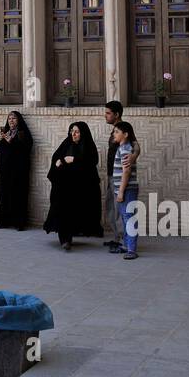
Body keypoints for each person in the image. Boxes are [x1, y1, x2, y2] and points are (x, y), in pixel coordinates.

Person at [43, 121, 104, 251]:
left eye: (76, 132)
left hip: (80, 188)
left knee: (74, 213)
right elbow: (57, 157)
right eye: (71, 131)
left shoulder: (88, 146)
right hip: (64, 187)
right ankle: (65, 240)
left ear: (83, 133)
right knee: (63, 210)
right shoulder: (67, 144)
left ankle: (71, 234)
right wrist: (58, 161)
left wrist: (75, 160)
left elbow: (91, 161)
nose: (73, 134)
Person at [101, 101, 140, 246]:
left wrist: (133, 157)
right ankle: (118, 238)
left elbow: (136, 146)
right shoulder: (116, 130)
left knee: (121, 210)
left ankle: (125, 242)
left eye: (108, 113)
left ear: (117, 114)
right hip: (113, 176)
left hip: (120, 178)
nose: (105, 116)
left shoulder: (124, 129)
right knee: (111, 207)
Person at [0, 111, 32, 230]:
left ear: (18, 120)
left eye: (14, 118)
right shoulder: (4, 132)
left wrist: (11, 141)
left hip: (18, 171)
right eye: (9, 118)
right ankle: (4, 221)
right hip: (4, 170)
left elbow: (26, 148)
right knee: (4, 194)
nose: (11, 121)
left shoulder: (22, 133)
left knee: (18, 195)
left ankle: (19, 223)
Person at [109, 121, 140, 259]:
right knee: (125, 217)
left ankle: (131, 250)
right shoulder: (122, 148)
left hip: (127, 190)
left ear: (125, 134)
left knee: (129, 218)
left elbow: (126, 172)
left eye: (117, 132)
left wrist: (121, 191)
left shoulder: (125, 149)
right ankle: (127, 246)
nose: (114, 134)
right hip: (123, 190)